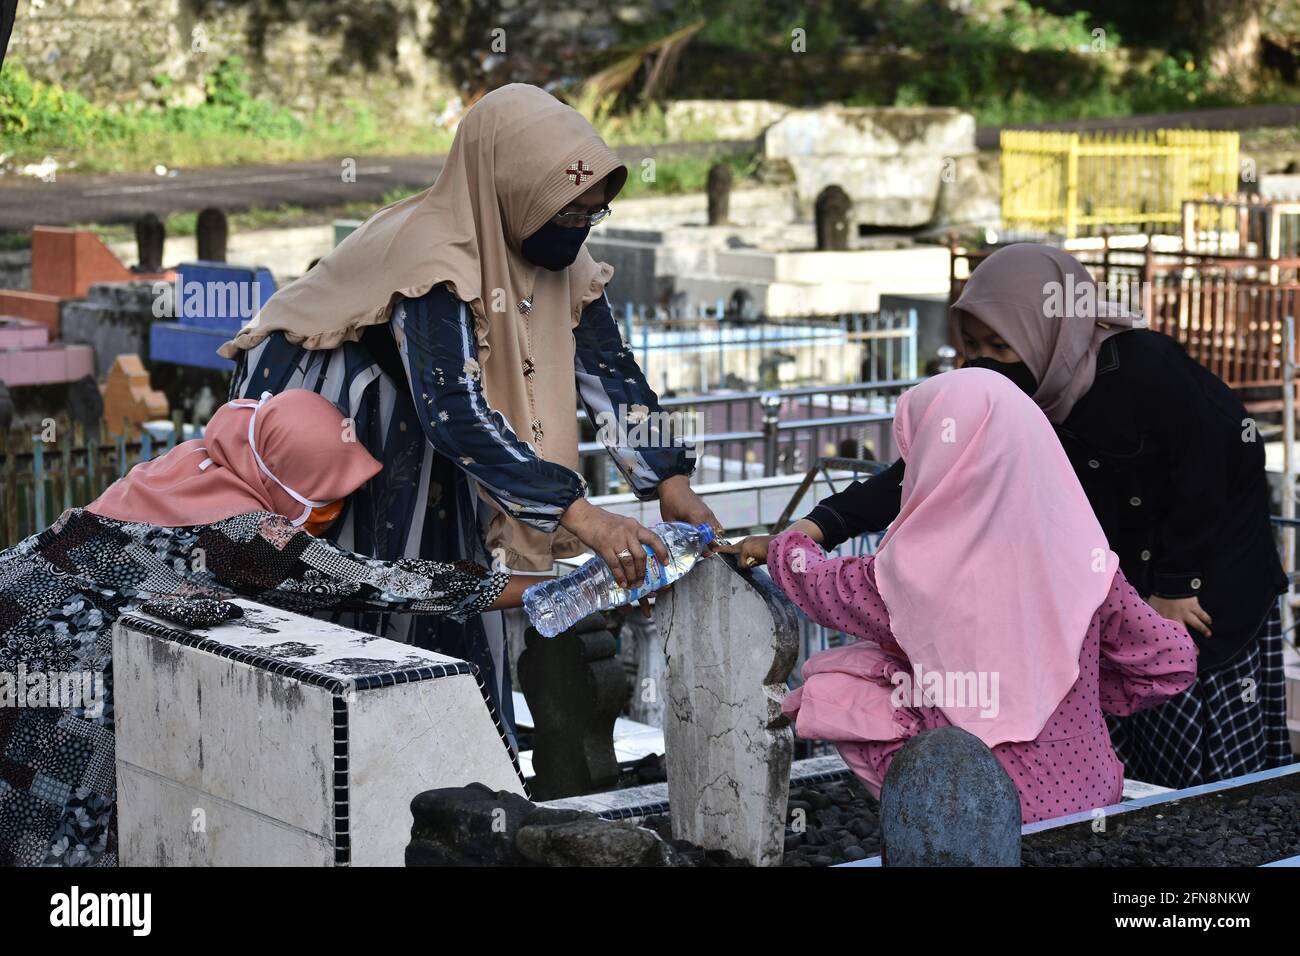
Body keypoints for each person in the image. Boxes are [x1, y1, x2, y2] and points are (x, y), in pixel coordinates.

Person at [218, 84, 719, 733]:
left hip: (433, 430)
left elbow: (610, 374)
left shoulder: (563, 257)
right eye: (565, 214)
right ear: (513, 189)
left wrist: (670, 483)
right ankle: (348, 753)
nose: (575, 230)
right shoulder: (435, 254)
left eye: (589, 215)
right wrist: (581, 515)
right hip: (343, 422)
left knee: (453, 588)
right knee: (363, 590)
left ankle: (460, 770)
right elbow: (452, 410)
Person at [735, 243, 1292, 790]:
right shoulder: (1012, 409)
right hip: (1107, 591)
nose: (984, 360)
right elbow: (930, 469)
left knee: (1205, 775)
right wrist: (820, 524)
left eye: (1000, 345)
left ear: (1045, 331)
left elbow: (1226, 453)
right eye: (971, 344)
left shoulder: (1142, 371)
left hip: (1204, 591)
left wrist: (1177, 582)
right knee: (1103, 747)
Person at [0, 390, 522, 866]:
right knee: (55, 824)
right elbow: (379, 583)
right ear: (283, 479)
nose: (336, 510)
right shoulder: (245, 532)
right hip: (62, 665)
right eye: (328, 492)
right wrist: (541, 590)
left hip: (16, 599)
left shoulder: (190, 463)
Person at [725, 369, 1198, 823]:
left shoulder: (909, 578)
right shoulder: (1088, 565)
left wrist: (786, 543)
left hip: (978, 806)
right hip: (1091, 792)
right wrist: (1071, 686)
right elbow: (1170, 660)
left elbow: (818, 585)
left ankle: (920, 812)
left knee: (842, 681)